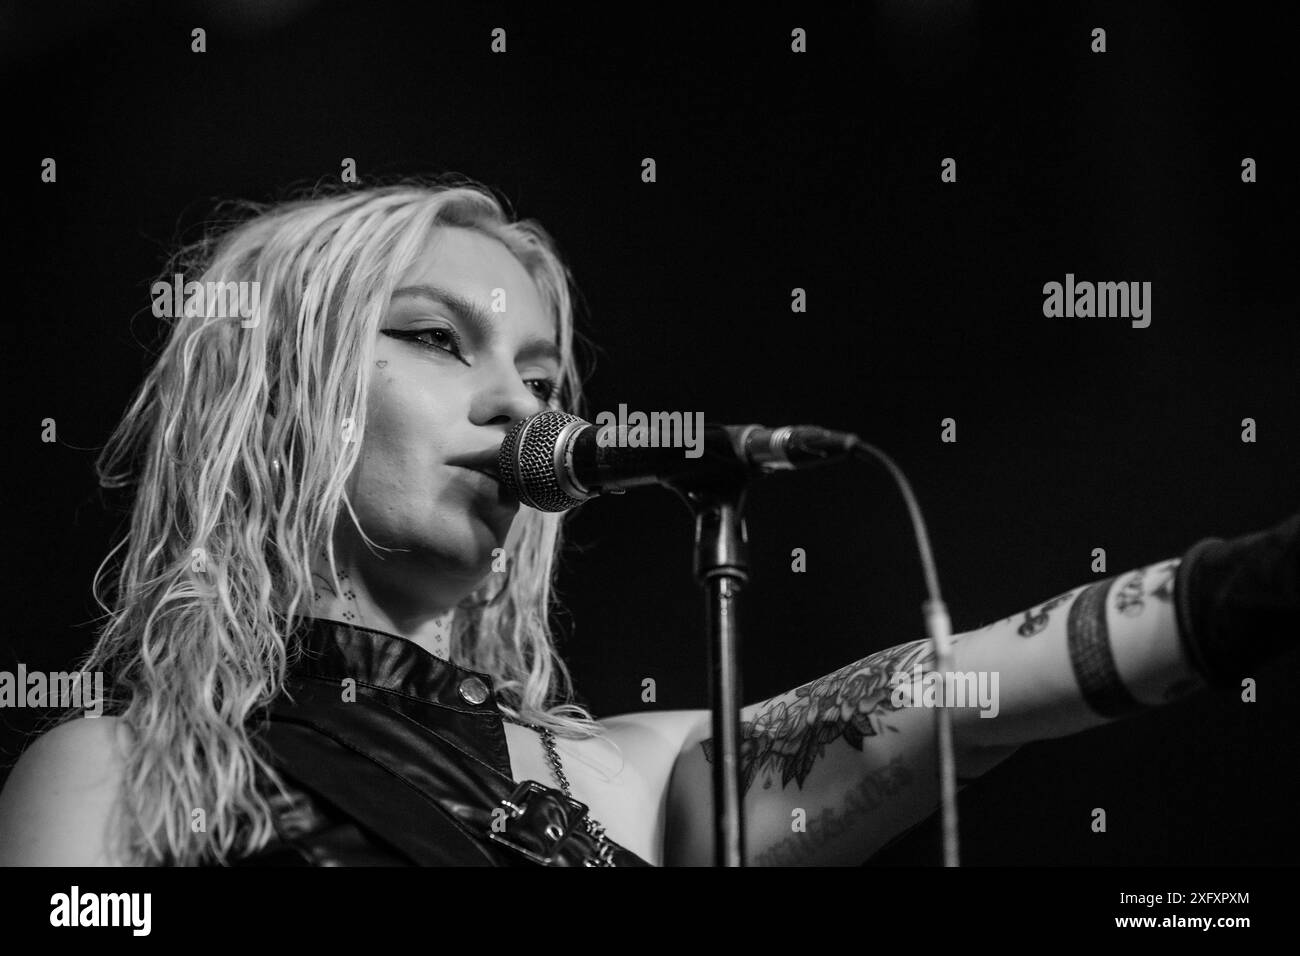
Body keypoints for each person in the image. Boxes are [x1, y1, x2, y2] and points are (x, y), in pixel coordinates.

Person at [0, 179, 1295, 866]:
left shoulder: (624, 778)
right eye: (438, 340)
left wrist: (1254, 586)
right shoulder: (118, 776)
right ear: (275, 393)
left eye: (551, 382)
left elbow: (971, 692)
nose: (520, 404)